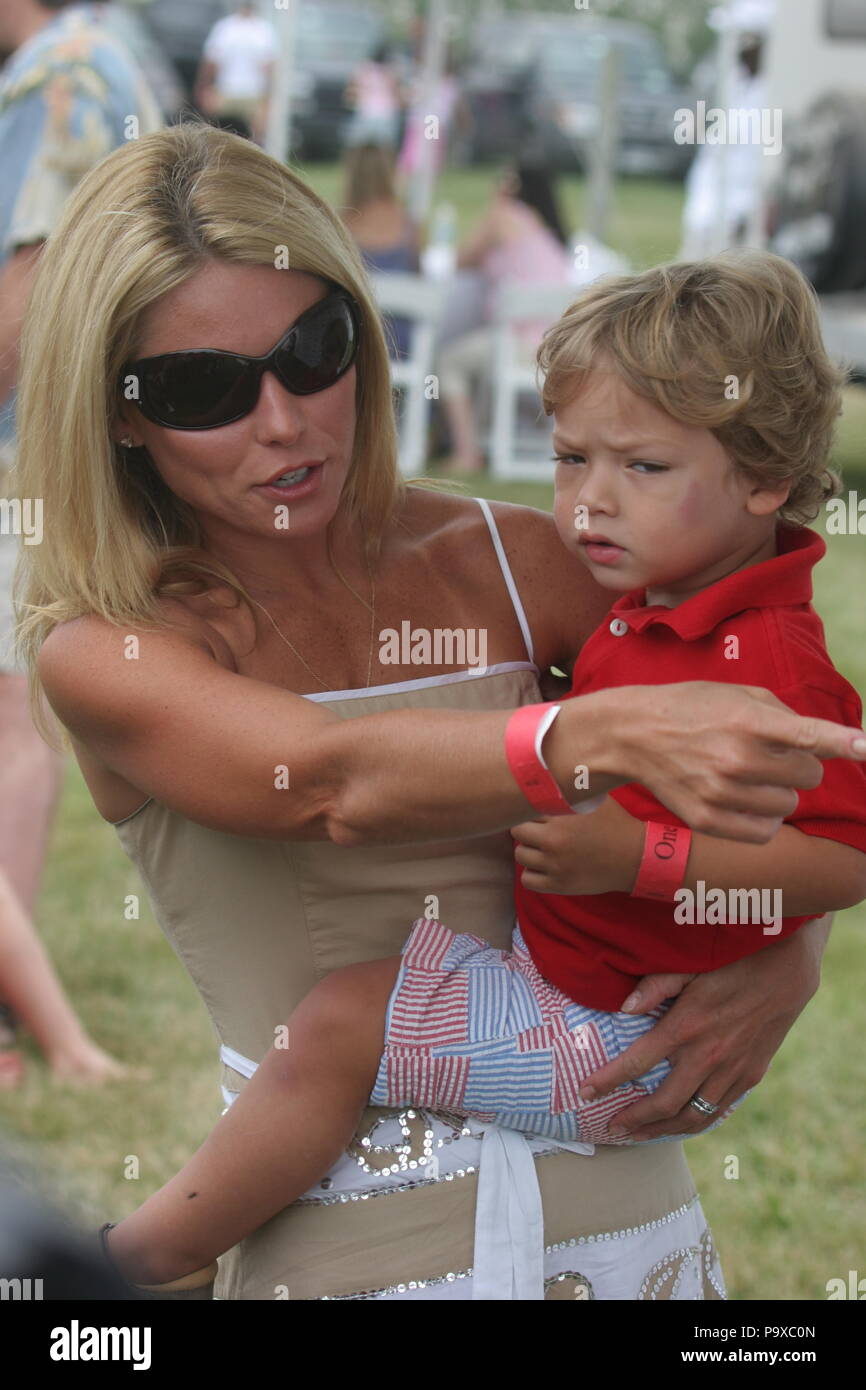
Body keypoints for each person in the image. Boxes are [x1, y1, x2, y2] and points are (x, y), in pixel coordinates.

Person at [16, 122, 865, 1302]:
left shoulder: (521, 559)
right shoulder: (107, 646)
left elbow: (789, 754)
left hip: (641, 1254)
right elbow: (324, 780)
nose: (282, 419)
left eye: (312, 351)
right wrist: (588, 739)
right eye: (204, 385)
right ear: (118, 413)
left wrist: (787, 954)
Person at [0, 0, 161, 1084]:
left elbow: (27, 285)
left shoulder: (57, 72)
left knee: (8, 725)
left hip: (17, 445)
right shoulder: (113, 57)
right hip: (52, 451)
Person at [436, 159, 574, 475]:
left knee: (450, 361)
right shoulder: (549, 233)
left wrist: (494, 206)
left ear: (511, 186)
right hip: (557, 345)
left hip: (521, 342)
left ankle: (466, 451)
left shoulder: (503, 216)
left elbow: (461, 259)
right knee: (476, 354)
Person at [340, 142, 420, 360]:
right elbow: (420, 282)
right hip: (403, 345)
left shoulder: (340, 226)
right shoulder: (409, 226)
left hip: (357, 343)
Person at [195, 1, 275, 147]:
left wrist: (268, 98)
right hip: (227, 91)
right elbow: (212, 63)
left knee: (253, 141)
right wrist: (205, 88)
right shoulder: (226, 27)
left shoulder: (263, 29)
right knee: (219, 136)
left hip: (253, 93)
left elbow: (269, 68)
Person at [343, 41, 403, 151]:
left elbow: (352, 91)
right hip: (386, 112)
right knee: (385, 147)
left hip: (365, 110)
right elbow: (396, 92)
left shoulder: (363, 68)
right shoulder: (391, 71)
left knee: (362, 147)